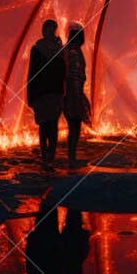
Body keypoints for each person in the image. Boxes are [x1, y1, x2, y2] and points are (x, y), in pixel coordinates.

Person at [26, 19, 66, 168]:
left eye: (52, 29)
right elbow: (32, 73)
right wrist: (31, 95)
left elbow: (63, 72)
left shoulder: (59, 49)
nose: (49, 32)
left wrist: (63, 92)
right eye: (47, 29)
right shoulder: (37, 49)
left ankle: (50, 156)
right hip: (42, 93)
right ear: (44, 31)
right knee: (44, 126)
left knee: (52, 125)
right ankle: (46, 156)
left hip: (54, 93)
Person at [62, 23, 90, 169]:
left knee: (74, 126)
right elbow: (73, 75)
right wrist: (77, 96)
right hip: (72, 94)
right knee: (74, 126)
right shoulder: (73, 51)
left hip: (71, 94)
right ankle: (71, 158)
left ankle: (71, 157)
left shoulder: (69, 50)